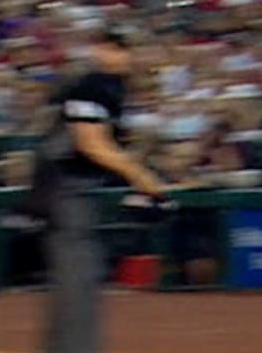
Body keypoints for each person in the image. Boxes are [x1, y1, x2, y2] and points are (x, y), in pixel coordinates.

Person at [32, 25, 167, 353]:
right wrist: (143, 178)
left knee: (81, 280)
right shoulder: (91, 86)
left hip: (81, 193)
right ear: (101, 49)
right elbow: (91, 144)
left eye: (128, 49)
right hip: (65, 192)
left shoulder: (114, 88)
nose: (126, 56)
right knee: (78, 281)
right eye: (118, 48)